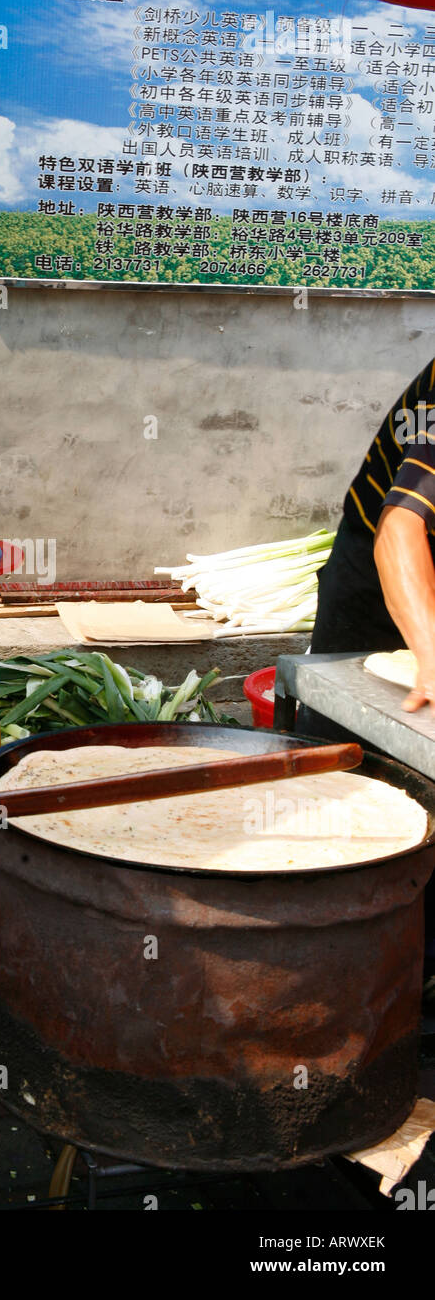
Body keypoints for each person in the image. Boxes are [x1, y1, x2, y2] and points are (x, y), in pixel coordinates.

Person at [298, 358, 435, 1004]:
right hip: (377, 577)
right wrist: (430, 653)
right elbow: (400, 534)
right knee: (354, 781)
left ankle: (416, 974)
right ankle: (333, 981)